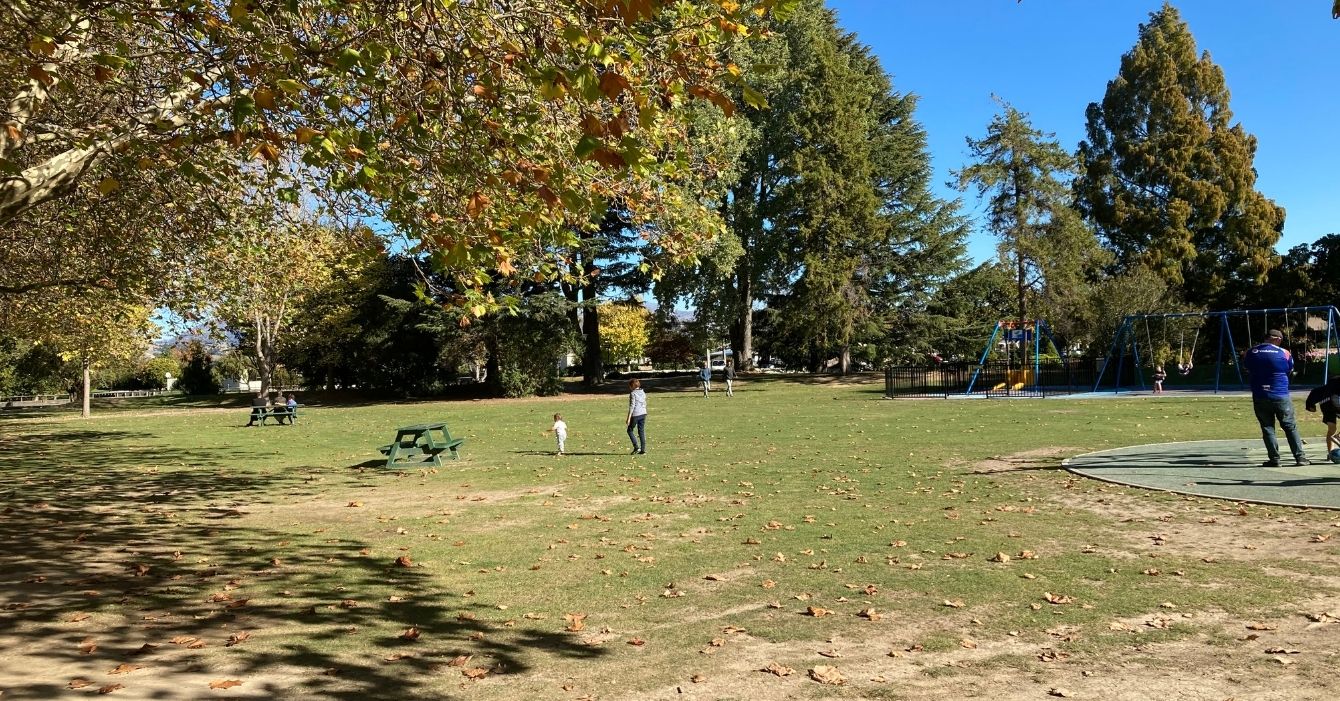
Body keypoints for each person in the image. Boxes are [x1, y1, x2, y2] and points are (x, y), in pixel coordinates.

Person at [1243, 329, 1308, 466]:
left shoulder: (1251, 352)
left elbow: (1247, 368)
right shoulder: (1284, 353)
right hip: (1280, 394)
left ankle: (1275, 459)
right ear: (1277, 339)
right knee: (1290, 426)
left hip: (1260, 394)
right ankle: (1300, 458)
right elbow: (1289, 369)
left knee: (1267, 428)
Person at [1305, 375, 1340, 452]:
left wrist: (1310, 405)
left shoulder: (1327, 387)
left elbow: (1315, 392)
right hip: (1335, 399)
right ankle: (1338, 436)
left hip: (1325, 403)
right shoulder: (1336, 385)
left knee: (1332, 428)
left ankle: (1331, 452)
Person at [626, 378, 647, 454]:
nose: (629, 388)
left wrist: (628, 418)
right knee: (641, 431)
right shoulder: (643, 391)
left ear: (632, 386)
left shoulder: (633, 393)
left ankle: (636, 447)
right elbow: (644, 403)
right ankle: (643, 450)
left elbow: (632, 406)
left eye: (630, 386)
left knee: (629, 430)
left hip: (636, 414)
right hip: (643, 413)